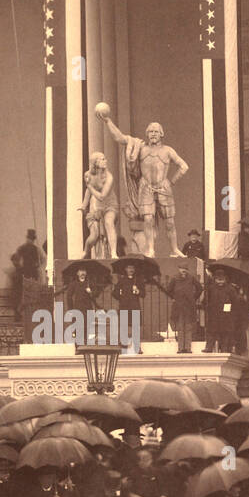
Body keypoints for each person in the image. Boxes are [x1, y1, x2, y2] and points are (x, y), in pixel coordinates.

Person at [96, 108, 189, 256]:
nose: (153, 134)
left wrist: (171, 182)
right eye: (150, 131)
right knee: (148, 220)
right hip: (145, 188)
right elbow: (120, 138)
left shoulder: (168, 150)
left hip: (164, 188)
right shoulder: (140, 148)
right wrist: (108, 121)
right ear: (147, 134)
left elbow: (184, 166)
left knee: (170, 222)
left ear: (161, 134)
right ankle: (151, 249)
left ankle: (174, 249)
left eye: (156, 131)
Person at [81, 152, 119, 259]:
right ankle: (85, 250)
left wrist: (89, 186)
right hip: (96, 207)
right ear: (95, 163)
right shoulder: (88, 175)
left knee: (108, 222)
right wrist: (84, 205)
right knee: (94, 236)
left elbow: (101, 196)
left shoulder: (109, 176)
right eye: (102, 159)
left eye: (105, 158)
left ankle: (113, 252)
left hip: (110, 205)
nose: (105, 161)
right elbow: (88, 191)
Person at [162, 262, 202, 353]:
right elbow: (168, 290)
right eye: (182, 269)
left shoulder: (191, 278)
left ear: (187, 270)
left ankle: (187, 348)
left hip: (189, 306)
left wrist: (193, 298)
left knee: (188, 327)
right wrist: (173, 298)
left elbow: (199, 288)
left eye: (185, 269)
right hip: (178, 306)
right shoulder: (174, 278)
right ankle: (180, 348)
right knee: (180, 327)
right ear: (179, 269)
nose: (183, 271)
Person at [204, 267, 241, 353]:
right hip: (214, 314)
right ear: (215, 279)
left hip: (226, 315)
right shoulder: (211, 288)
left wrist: (230, 310)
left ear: (225, 279)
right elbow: (206, 300)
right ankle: (209, 347)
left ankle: (225, 348)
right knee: (212, 332)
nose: (220, 281)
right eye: (218, 279)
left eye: (221, 279)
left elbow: (235, 302)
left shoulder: (230, 289)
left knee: (225, 333)